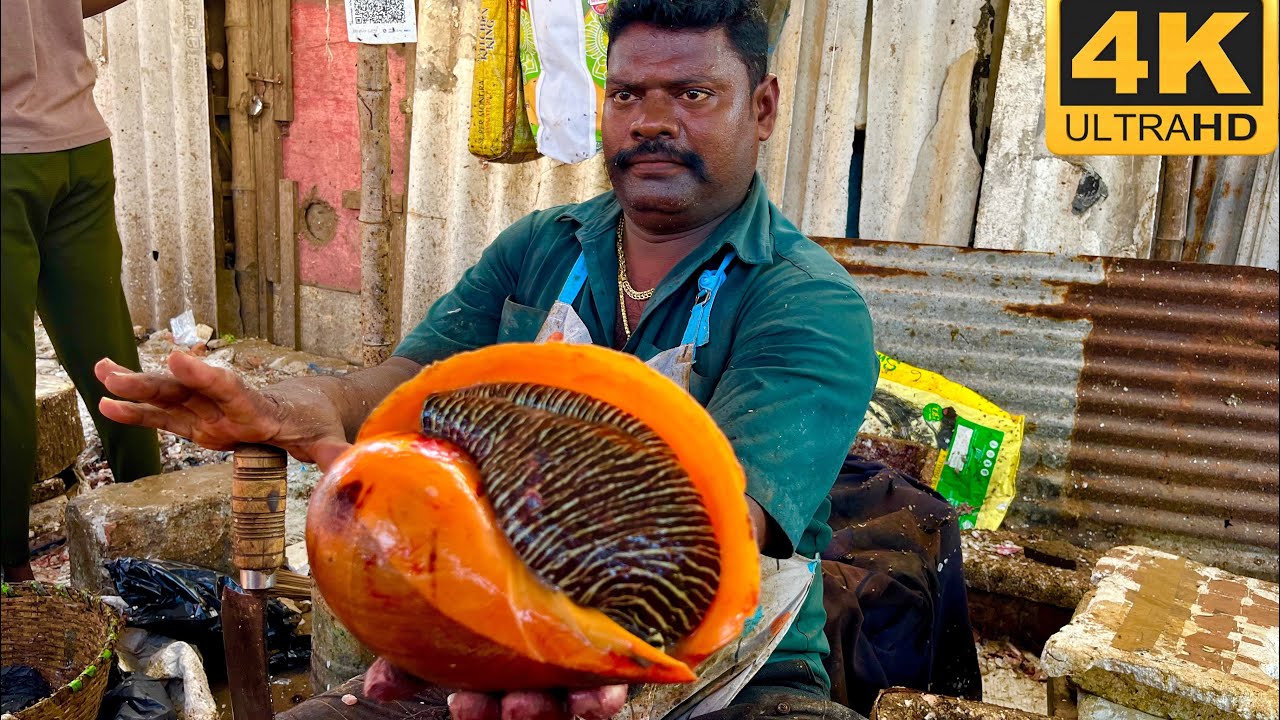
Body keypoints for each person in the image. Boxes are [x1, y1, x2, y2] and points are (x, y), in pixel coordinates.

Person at [97, 1, 879, 718]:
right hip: (486, 622)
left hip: (733, 676)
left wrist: (561, 627)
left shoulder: (807, 303)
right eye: (629, 95)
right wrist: (293, 404)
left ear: (763, 106)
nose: (650, 122)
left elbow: (717, 527)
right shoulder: (539, 245)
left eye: (692, 95)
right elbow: (408, 385)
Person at [1, 0, 163, 582]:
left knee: (5, 374)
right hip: (78, 143)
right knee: (108, 350)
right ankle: (154, 524)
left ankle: (12, 577)